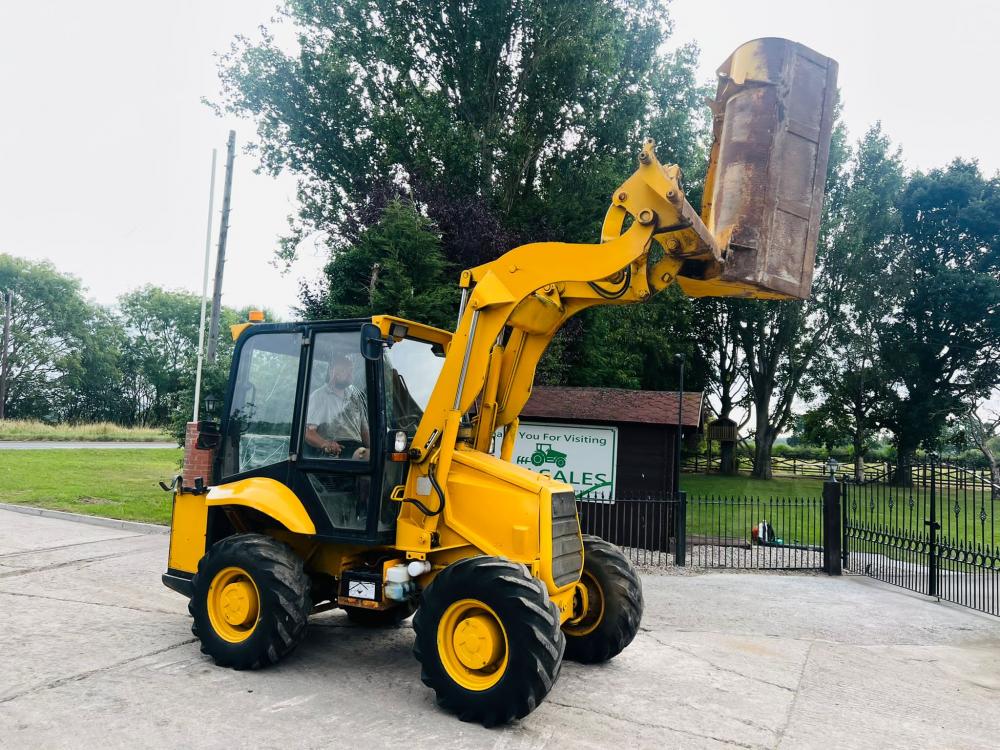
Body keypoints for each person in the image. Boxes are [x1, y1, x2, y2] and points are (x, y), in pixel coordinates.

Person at [304, 355, 370, 460]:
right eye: (344, 370)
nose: (350, 374)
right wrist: (325, 444)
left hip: (358, 447)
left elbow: (365, 432)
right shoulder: (319, 396)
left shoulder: (355, 398)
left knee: (381, 456)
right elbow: (308, 433)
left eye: (351, 370)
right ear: (332, 372)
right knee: (368, 456)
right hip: (336, 449)